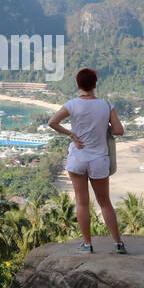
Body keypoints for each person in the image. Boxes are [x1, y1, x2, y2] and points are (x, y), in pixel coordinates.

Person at [47, 67, 126, 253]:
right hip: (99, 159)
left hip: (78, 158)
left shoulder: (72, 104)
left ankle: (87, 244)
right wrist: (103, 127)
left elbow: (52, 122)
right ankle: (118, 243)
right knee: (105, 202)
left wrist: (71, 134)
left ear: (78, 84)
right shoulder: (106, 105)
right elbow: (118, 130)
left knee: (82, 203)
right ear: (95, 83)